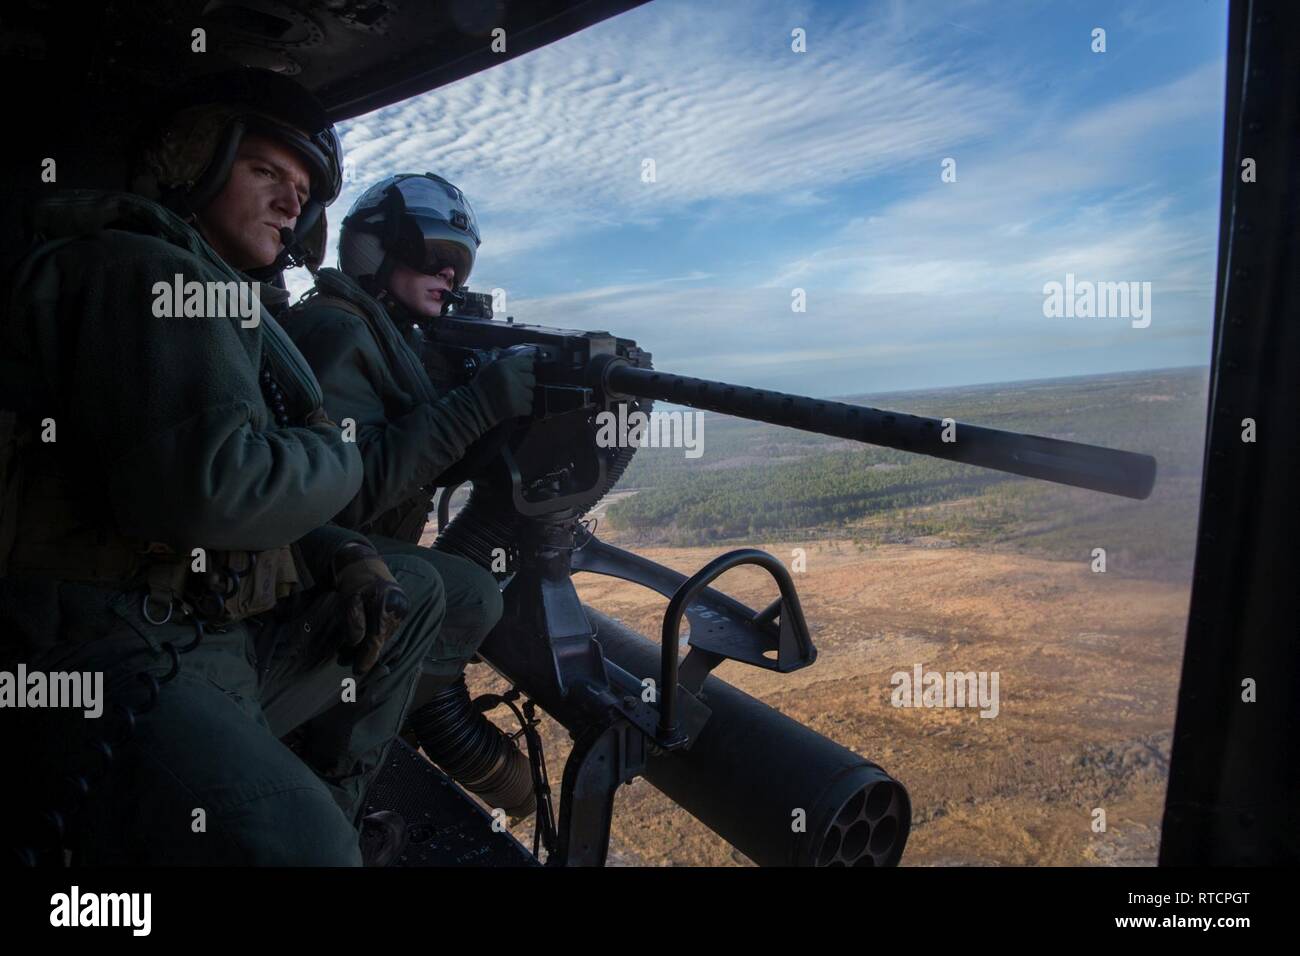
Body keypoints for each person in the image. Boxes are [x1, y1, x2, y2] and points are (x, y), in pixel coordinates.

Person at [0, 69, 441, 865]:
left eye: (301, 188)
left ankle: (325, 810)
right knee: (305, 852)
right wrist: (339, 455)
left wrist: (333, 548)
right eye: (267, 172)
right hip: (107, 647)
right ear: (194, 164)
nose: (290, 203)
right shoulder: (155, 273)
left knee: (412, 605)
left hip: (192, 626)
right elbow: (212, 490)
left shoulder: (216, 293)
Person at [284, 173, 537, 817]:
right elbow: (350, 496)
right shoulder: (338, 331)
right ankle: (328, 778)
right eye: (434, 257)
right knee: (460, 596)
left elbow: (415, 454)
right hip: (308, 562)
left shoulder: (390, 337)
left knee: (467, 592)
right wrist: (479, 404)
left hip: (340, 556)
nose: (449, 276)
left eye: (458, 264)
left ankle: (356, 727)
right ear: (375, 249)